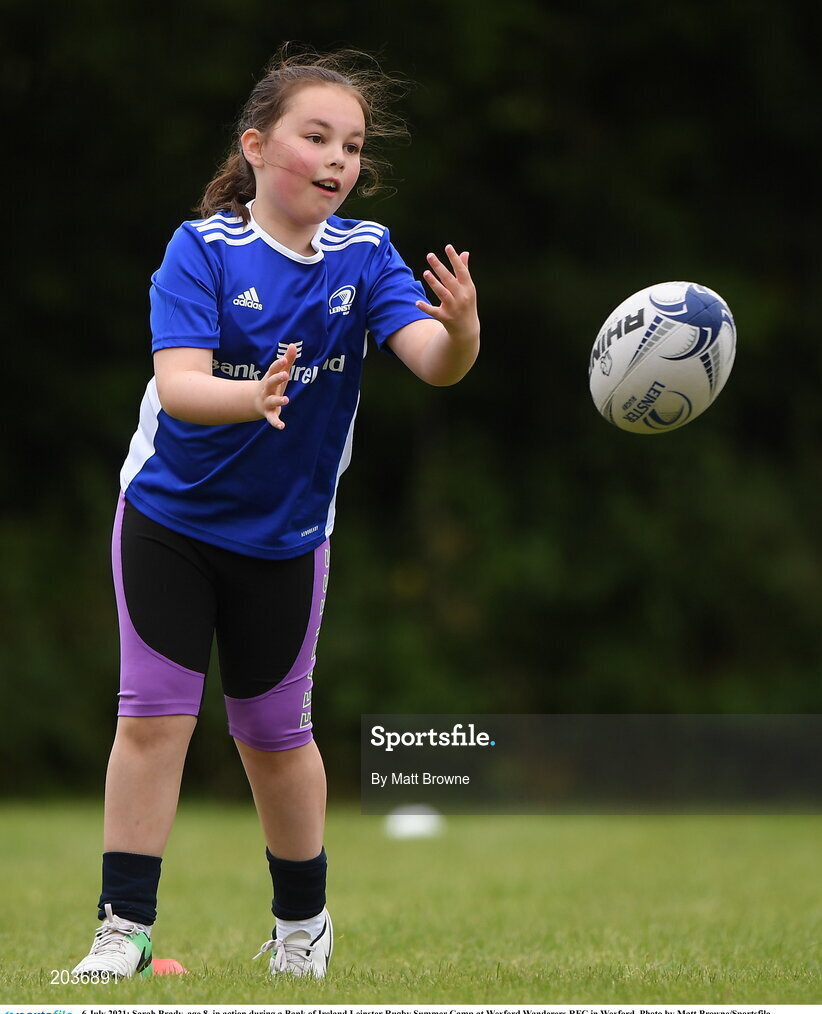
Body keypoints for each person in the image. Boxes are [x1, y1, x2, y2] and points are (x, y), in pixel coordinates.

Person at [71, 46, 479, 981]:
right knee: (152, 720)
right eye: (316, 137)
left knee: (275, 737)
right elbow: (179, 386)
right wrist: (249, 397)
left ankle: (302, 930)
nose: (338, 159)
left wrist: (459, 330)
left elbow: (431, 362)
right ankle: (122, 933)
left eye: (353, 145)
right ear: (257, 147)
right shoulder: (201, 249)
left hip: (288, 538)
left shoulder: (366, 256)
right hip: (170, 521)